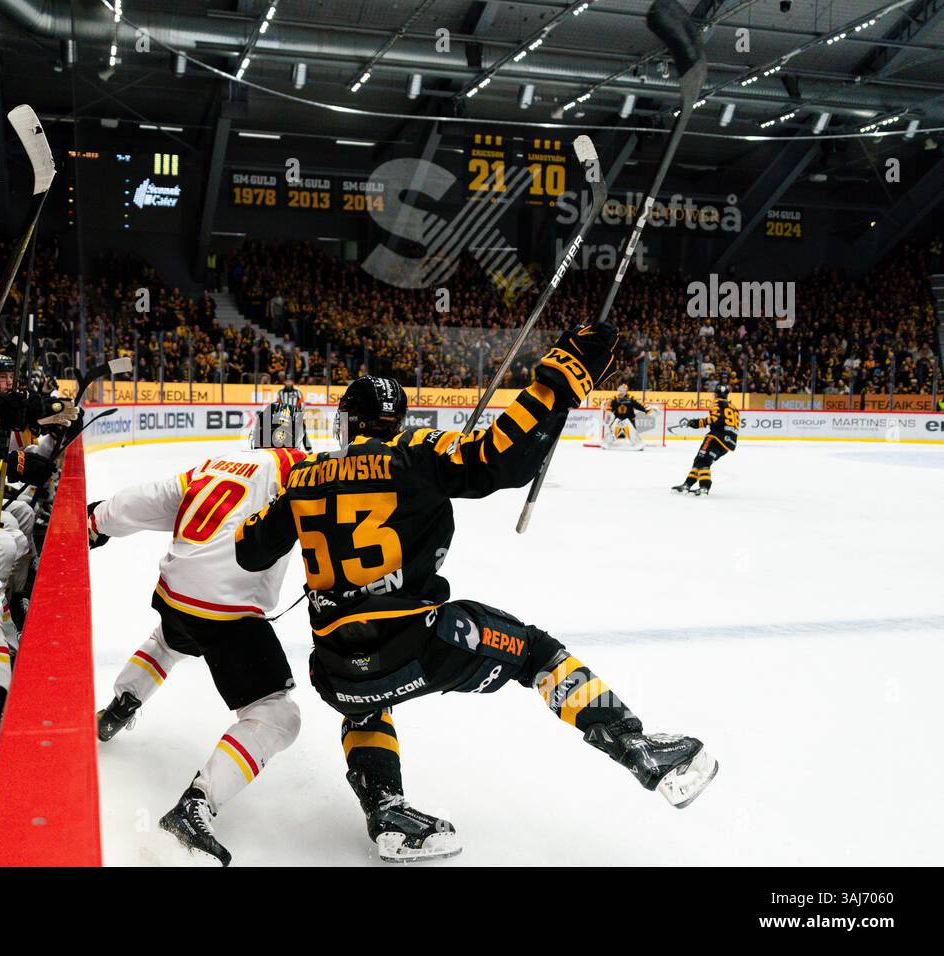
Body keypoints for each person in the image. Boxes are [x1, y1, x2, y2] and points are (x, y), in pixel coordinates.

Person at [234, 326, 718, 863]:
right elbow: (500, 459)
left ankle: (386, 809)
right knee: (534, 653)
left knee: (366, 706)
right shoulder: (416, 454)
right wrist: (559, 380)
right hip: (417, 646)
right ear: (397, 421)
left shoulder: (305, 475)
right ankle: (633, 745)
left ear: (348, 421)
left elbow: (248, 550)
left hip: (336, 669)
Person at [88, 403, 307, 865]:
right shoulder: (295, 466)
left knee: (169, 640)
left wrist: (97, 521)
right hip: (226, 610)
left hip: (174, 595)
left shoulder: (210, 465)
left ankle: (122, 703)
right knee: (277, 716)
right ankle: (196, 806)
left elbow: (147, 499)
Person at [672, 383, 739, 495]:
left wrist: (698, 423)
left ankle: (704, 487)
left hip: (716, 437)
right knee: (701, 461)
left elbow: (716, 418)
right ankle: (687, 484)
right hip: (729, 443)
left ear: (716, 394)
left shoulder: (717, 402)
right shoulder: (734, 407)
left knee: (703, 461)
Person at [603, 383, 651, 449]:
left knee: (633, 434)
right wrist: (607, 414)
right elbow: (609, 407)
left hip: (630, 420)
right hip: (618, 420)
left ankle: (638, 444)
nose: (621, 392)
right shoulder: (614, 398)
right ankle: (607, 443)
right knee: (612, 432)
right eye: (620, 390)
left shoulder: (631, 398)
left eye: (623, 390)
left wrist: (646, 409)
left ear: (626, 391)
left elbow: (639, 405)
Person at [276, 377, 313, 451]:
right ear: (284, 382)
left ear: (292, 382)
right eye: (287, 381)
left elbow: (302, 404)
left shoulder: (297, 392)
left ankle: (309, 449)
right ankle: (283, 448)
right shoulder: (280, 392)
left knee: (302, 432)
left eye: (290, 381)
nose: (288, 383)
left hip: (296, 415)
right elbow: (278, 404)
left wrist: (300, 414)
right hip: (284, 416)